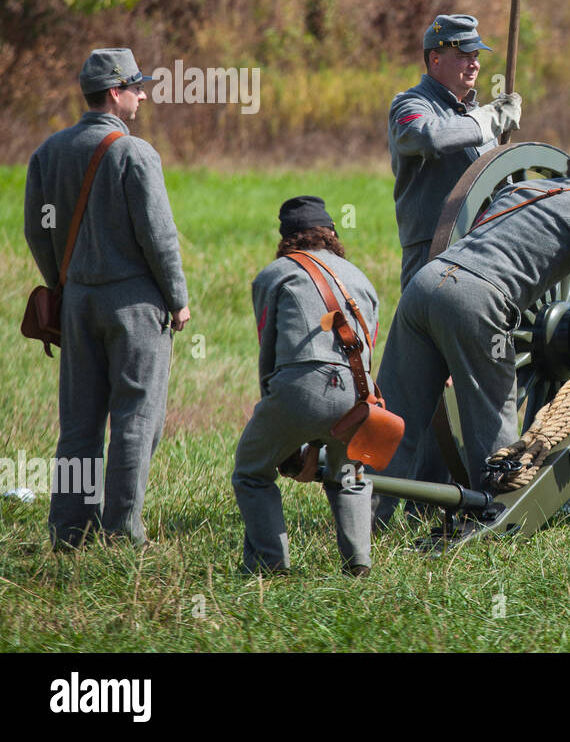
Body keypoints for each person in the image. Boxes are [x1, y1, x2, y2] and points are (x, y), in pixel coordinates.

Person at [372, 123, 570, 519]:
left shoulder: (519, 190)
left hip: (425, 284)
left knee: (396, 418)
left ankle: (361, 519)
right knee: (494, 423)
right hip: (477, 301)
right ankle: (499, 520)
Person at [23, 47, 190, 549]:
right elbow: (159, 237)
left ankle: (69, 532)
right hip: (135, 305)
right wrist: (177, 298)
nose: (143, 94)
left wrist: (63, 279)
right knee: (136, 418)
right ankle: (123, 533)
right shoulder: (135, 152)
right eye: (136, 86)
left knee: (79, 424)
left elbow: (37, 230)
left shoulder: (48, 153)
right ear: (114, 93)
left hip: (76, 303)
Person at [231, 197, 380, 576]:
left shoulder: (274, 275)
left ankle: (271, 565)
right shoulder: (359, 276)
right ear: (331, 234)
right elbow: (368, 352)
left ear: (287, 239)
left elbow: (269, 354)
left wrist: (287, 432)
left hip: (297, 390)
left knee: (251, 472)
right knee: (352, 478)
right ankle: (359, 563)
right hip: (358, 397)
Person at [389, 13, 524, 292]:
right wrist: (491, 119)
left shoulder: (475, 115)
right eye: (464, 55)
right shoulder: (410, 105)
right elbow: (430, 136)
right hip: (433, 248)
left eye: (476, 55)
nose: (474, 64)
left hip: (484, 248)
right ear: (435, 59)